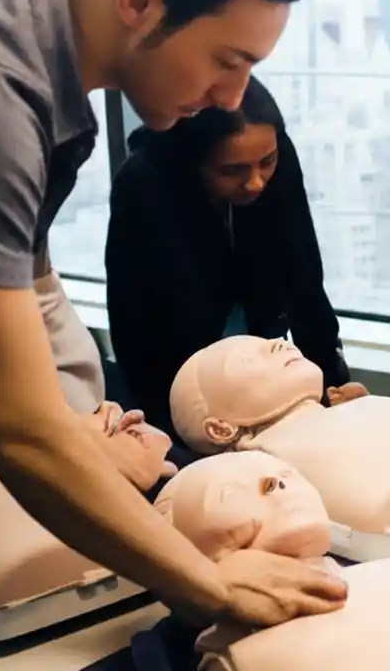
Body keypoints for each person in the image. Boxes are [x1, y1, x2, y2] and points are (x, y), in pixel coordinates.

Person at [0, 0, 348, 666]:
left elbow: (10, 315)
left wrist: (74, 428)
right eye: (227, 60)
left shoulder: (34, 80)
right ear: (139, 0)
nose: (234, 98)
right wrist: (208, 584)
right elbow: (11, 427)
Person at [107, 76, 367, 438]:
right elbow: (133, 322)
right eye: (232, 171)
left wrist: (330, 385)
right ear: (192, 160)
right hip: (178, 358)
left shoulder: (273, 154)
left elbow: (302, 270)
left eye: (267, 162)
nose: (256, 182)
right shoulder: (144, 187)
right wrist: (170, 427)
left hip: (259, 341)